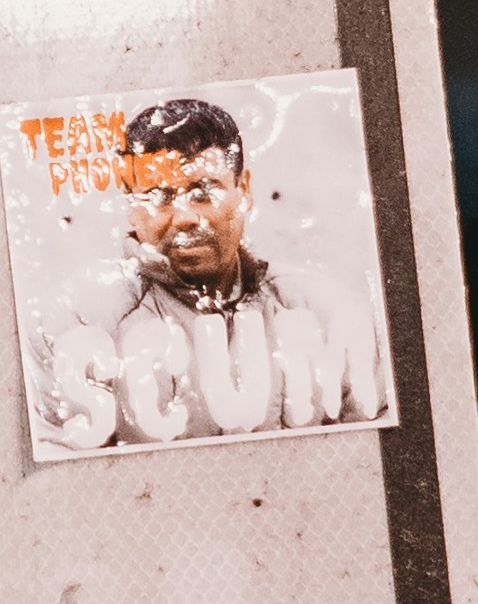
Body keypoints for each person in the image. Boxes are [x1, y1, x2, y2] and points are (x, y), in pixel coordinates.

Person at [26, 92, 392, 453]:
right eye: (158, 198)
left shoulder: (329, 313)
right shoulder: (73, 323)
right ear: (131, 206)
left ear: (243, 190)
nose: (186, 218)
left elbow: (372, 458)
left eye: (204, 193)